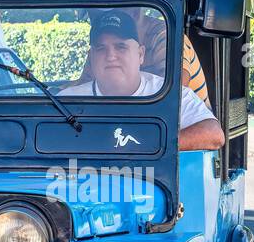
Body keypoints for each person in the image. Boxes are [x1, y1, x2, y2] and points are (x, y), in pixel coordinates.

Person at [58, 11, 224, 152]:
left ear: (140, 54)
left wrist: (144, 146)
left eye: (120, 47)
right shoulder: (65, 101)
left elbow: (213, 134)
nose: (110, 56)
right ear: (91, 57)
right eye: (101, 48)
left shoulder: (167, 92)